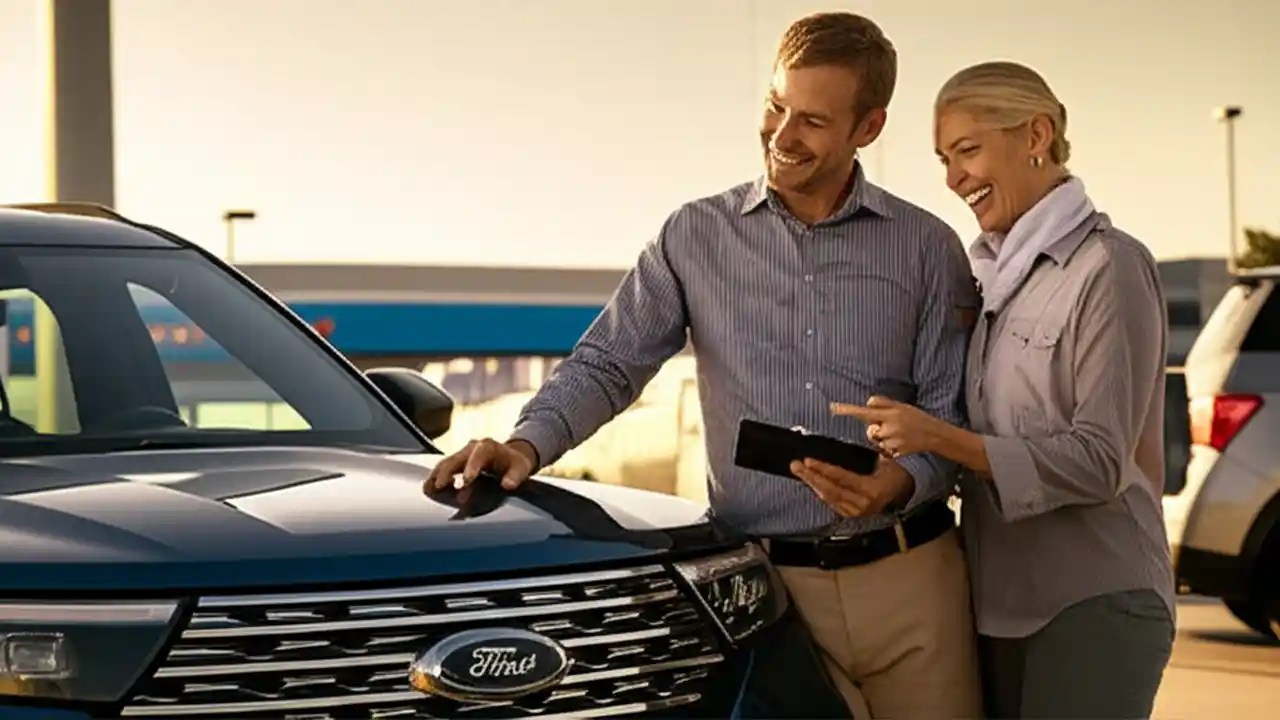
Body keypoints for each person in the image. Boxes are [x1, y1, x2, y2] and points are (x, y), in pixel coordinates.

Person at [425, 12, 983, 719]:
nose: (782, 137)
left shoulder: (929, 248)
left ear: (866, 128)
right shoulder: (694, 235)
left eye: (812, 121)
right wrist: (525, 443)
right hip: (765, 592)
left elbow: (948, 411)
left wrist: (899, 481)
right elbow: (609, 361)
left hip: (911, 581)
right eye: (775, 107)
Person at [829, 60, 1176, 718]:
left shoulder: (1108, 267)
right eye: (944, 159)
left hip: (1091, 602)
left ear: (1036, 135)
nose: (954, 178)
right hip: (995, 607)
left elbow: (1101, 461)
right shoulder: (989, 280)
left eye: (967, 151)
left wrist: (941, 438)